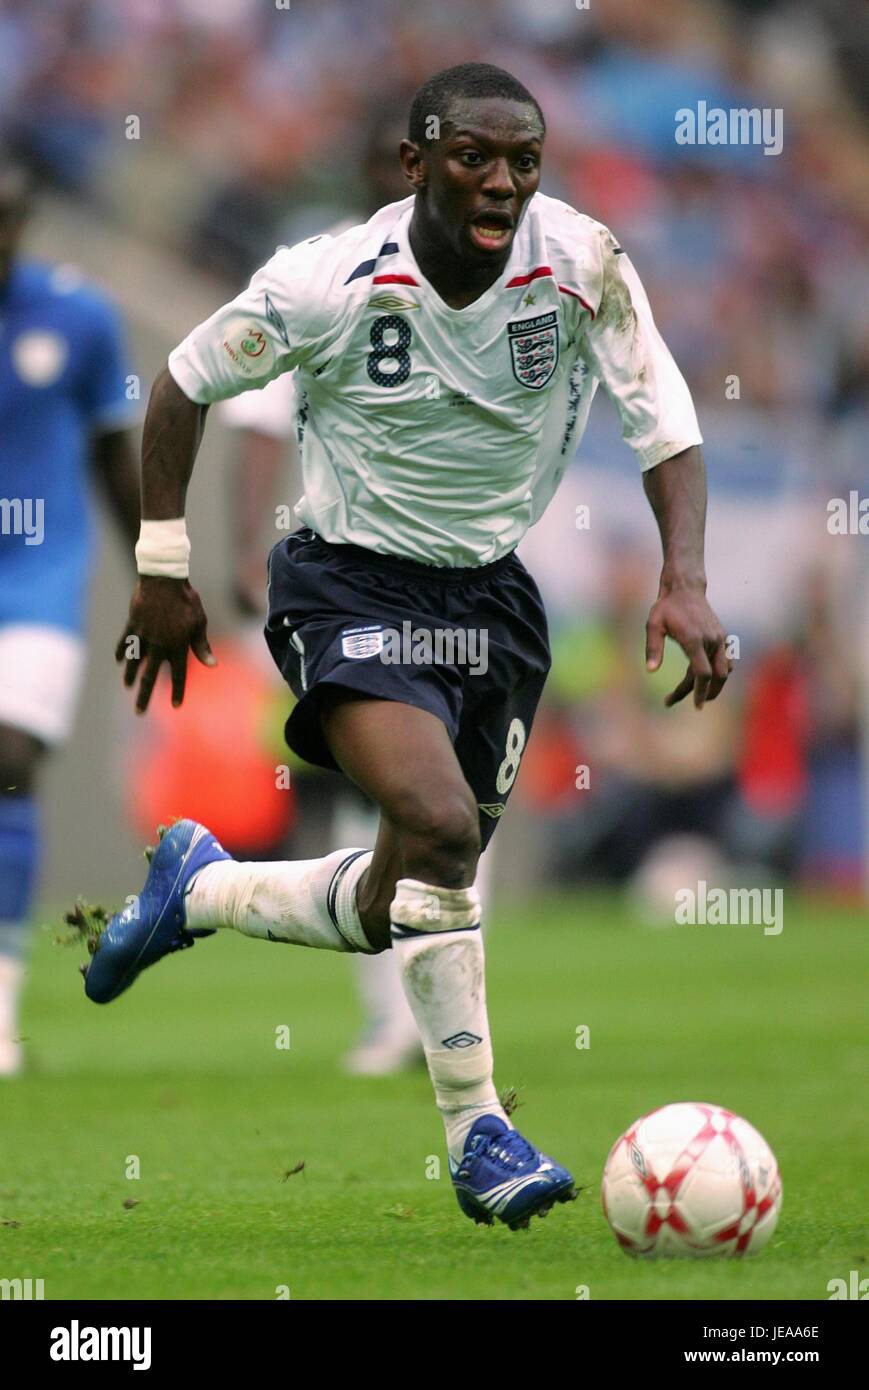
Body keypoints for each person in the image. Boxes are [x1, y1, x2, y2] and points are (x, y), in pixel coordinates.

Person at [80, 64, 731, 1229]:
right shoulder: (324, 280)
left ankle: (204, 888)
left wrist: (683, 579)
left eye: (521, 160)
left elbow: (664, 423)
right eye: (473, 156)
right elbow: (180, 386)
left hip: (494, 602)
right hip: (344, 581)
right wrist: (164, 565)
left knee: (410, 894)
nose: (500, 182)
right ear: (414, 163)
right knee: (435, 829)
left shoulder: (581, 263)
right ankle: (478, 1131)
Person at [0, 161, 139, 1074]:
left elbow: (112, 452)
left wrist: (158, 575)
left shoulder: (79, 316)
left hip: (37, 584)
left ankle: (0, 1008)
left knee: (9, 764)